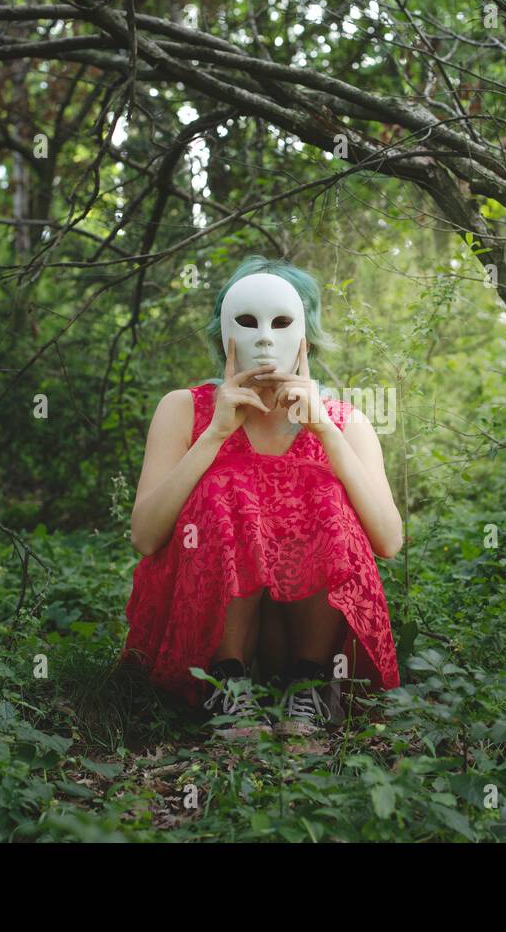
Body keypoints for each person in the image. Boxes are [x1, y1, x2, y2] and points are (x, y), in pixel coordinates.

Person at [119, 256, 402, 740]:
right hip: (210, 630)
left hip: (298, 635)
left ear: (305, 337)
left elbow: (389, 541)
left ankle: (308, 689)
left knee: (326, 494)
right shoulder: (183, 408)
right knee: (222, 488)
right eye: (247, 321)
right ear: (223, 331)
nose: (265, 338)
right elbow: (145, 538)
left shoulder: (343, 419)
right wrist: (214, 436)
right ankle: (227, 687)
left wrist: (325, 431)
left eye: (282, 322)